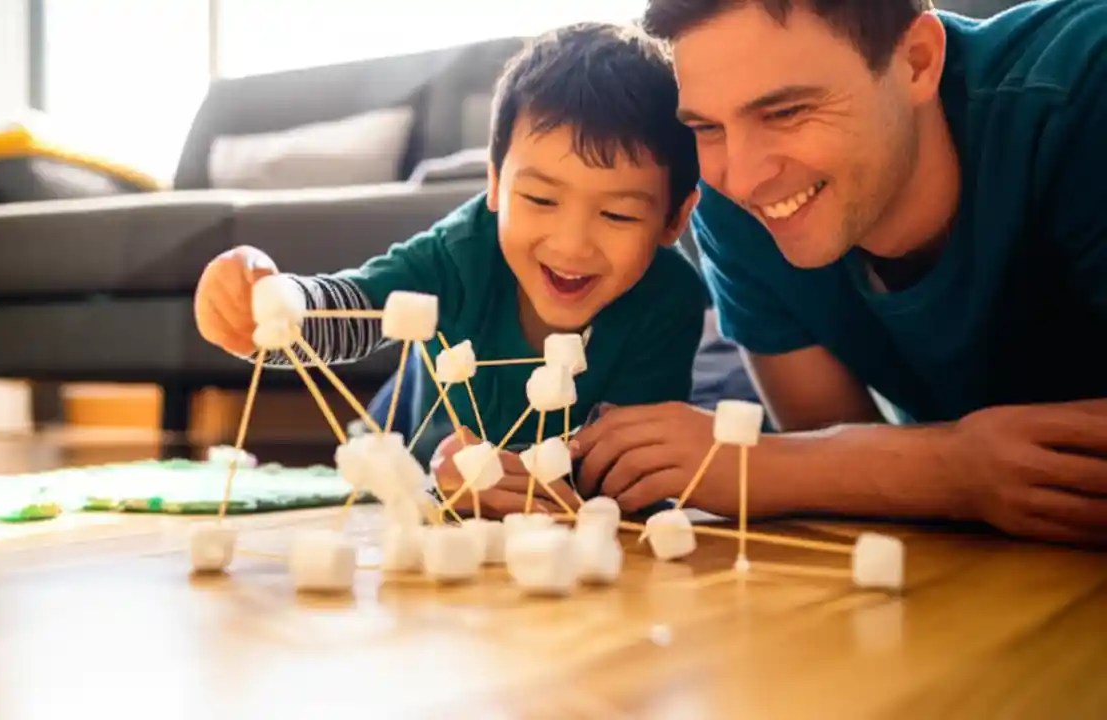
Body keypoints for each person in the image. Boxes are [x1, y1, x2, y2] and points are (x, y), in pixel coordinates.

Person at [572, 0, 1107, 546]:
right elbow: (847, 477)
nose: (744, 177)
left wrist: (767, 467)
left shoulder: (1084, 84)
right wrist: (949, 470)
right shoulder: (729, 205)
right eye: (706, 126)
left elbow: (836, 466)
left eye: (785, 113)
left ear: (917, 61)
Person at [195, 22, 708, 517]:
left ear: (674, 218)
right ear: (494, 182)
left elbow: (629, 474)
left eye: (617, 214)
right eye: (539, 198)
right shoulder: (462, 249)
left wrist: (531, 487)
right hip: (406, 459)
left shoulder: (671, 302)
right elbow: (358, 306)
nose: (572, 245)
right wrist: (273, 308)